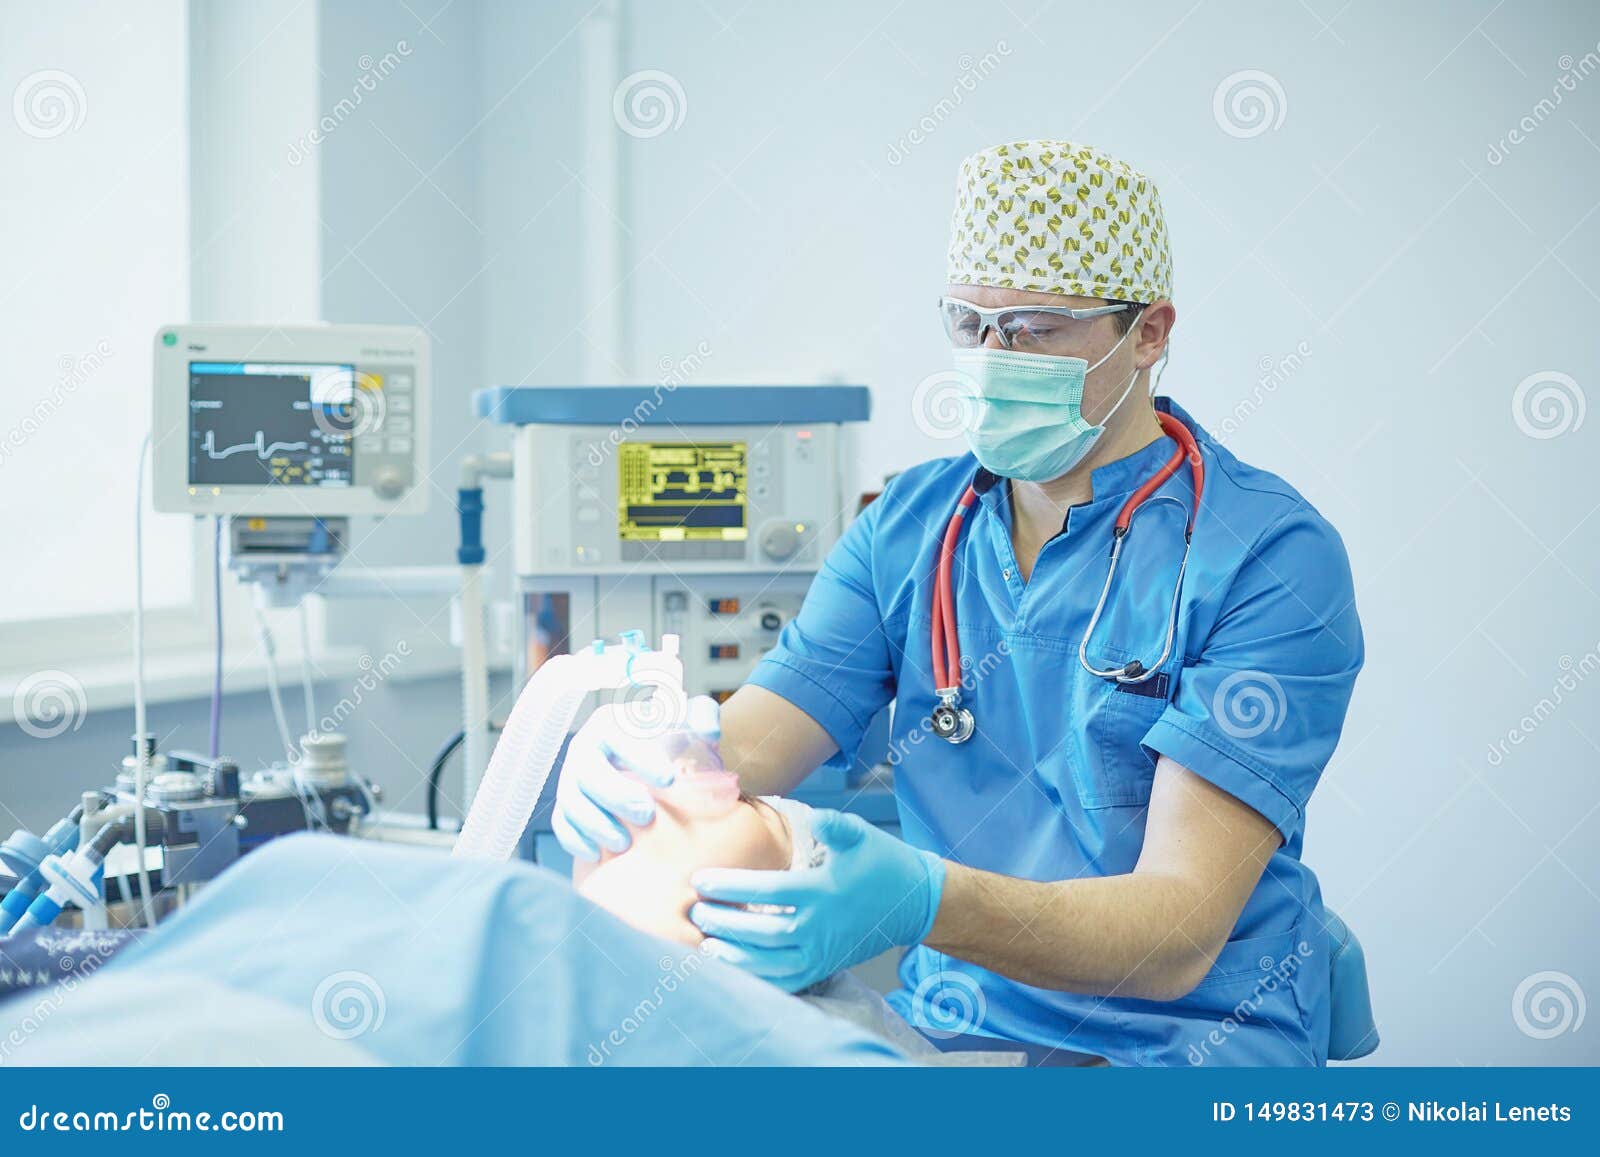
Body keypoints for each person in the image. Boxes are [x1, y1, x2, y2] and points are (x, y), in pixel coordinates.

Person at [555, 140, 1364, 1066]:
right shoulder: (911, 527)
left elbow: (1176, 928)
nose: (993, 358)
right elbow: (754, 743)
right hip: (955, 1025)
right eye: (970, 324)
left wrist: (925, 900)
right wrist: (656, 754)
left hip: (1188, 1043)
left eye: (1034, 328)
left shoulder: (1266, 557)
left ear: (1149, 332)